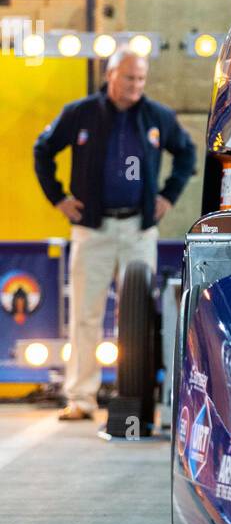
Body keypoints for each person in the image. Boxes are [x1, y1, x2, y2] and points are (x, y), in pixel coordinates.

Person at [34, 47, 197, 421]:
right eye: (129, 78)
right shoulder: (80, 114)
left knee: (136, 316)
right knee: (85, 314)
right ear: (111, 75)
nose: (136, 85)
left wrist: (168, 196)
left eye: (141, 79)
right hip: (92, 229)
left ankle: (134, 394)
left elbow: (187, 154)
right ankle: (81, 397)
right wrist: (59, 198)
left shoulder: (157, 117)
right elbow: (42, 151)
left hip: (138, 230)